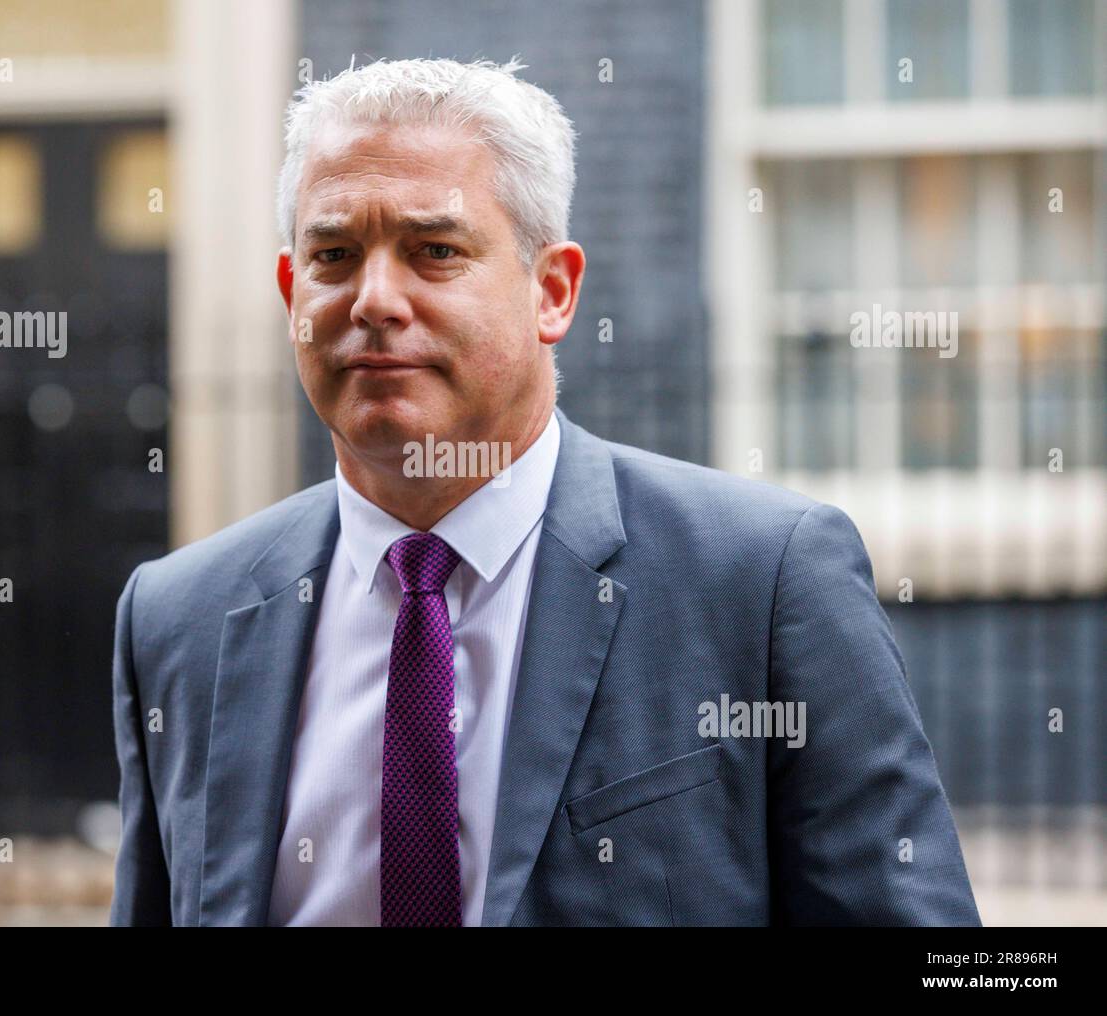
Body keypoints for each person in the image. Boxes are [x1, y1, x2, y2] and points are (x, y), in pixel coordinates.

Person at [110, 57, 980, 926]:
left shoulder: (759, 580)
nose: (374, 298)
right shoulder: (177, 618)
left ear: (553, 291)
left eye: (434, 252)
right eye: (334, 255)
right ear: (292, 290)